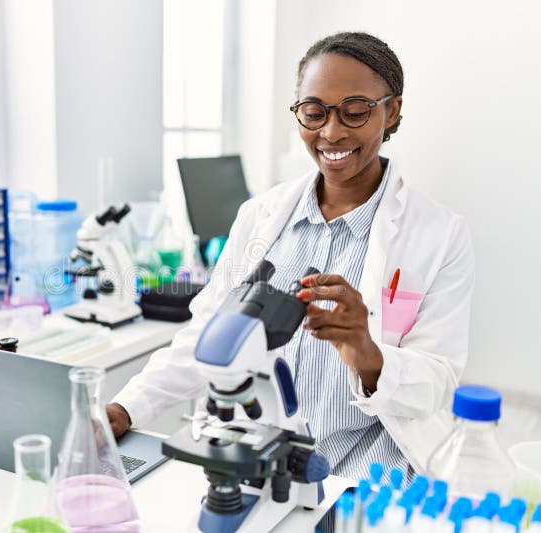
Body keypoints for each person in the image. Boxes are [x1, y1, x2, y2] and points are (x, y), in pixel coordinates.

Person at [107, 31, 474, 479]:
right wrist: (127, 406)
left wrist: (366, 351)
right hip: (256, 456)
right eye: (314, 113)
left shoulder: (439, 235)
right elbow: (204, 335)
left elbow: (438, 381)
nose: (331, 132)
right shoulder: (260, 216)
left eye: (355, 112)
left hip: (368, 469)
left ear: (391, 111)